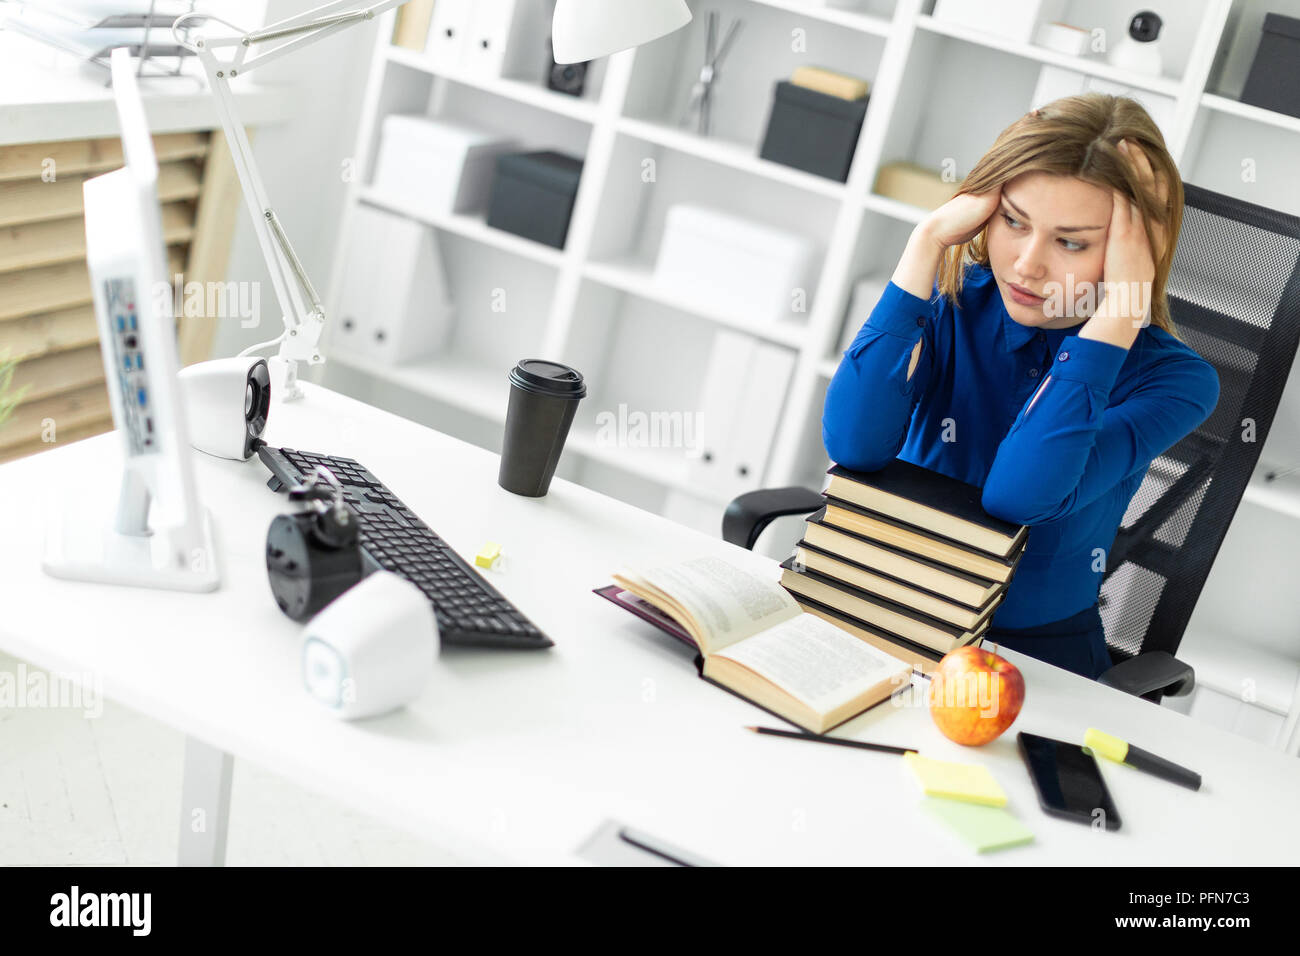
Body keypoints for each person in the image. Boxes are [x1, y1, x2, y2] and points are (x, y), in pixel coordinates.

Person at [822, 94, 1220, 680]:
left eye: (1071, 241)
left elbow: (1018, 498)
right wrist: (926, 241)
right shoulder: (950, 299)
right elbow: (853, 444)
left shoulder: (1177, 381)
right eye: (1013, 220)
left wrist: (1122, 312)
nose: (1027, 264)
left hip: (1031, 657)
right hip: (880, 600)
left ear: (1138, 251)